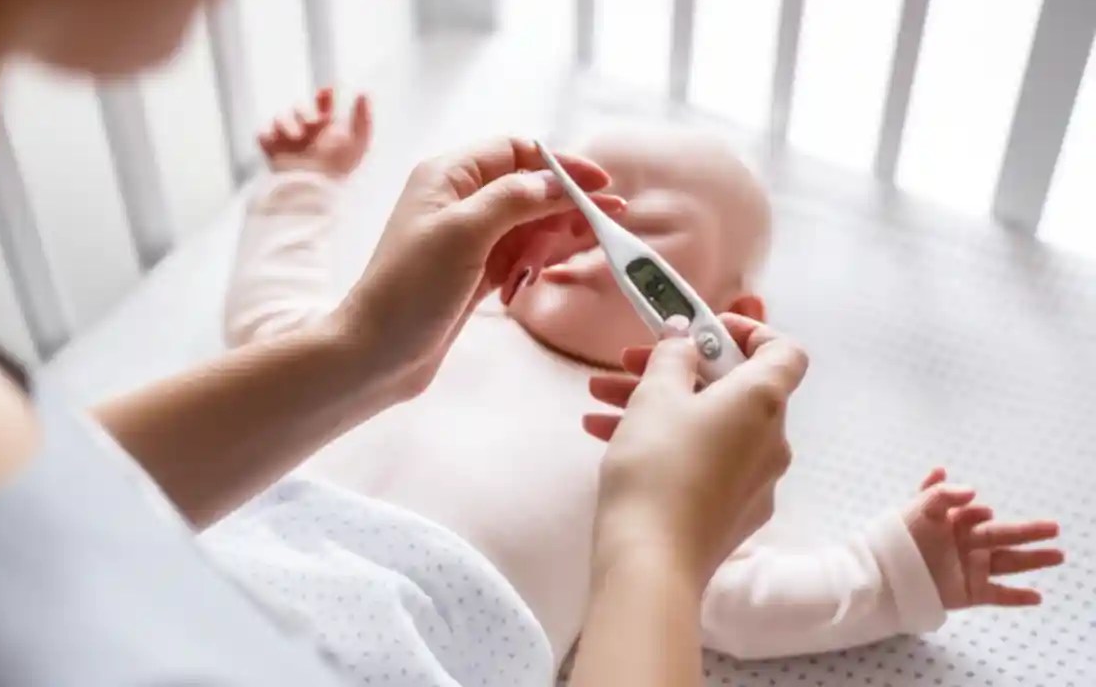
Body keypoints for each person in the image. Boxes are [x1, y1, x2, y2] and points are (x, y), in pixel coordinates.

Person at [0, 0, 807, 686]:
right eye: (583, 209)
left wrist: (359, 348)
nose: (593, 240)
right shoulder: (619, 437)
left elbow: (75, 498)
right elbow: (273, 314)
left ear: (731, 311)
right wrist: (655, 558)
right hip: (245, 555)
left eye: (643, 230)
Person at [224, 92, 1064, 672]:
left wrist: (892, 572)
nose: (576, 241)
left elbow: (728, 596)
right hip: (228, 563)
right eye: (558, 216)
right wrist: (302, 182)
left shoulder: (682, 446)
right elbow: (280, 331)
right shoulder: (428, 322)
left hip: (418, 644)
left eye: (639, 231)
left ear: (728, 314)